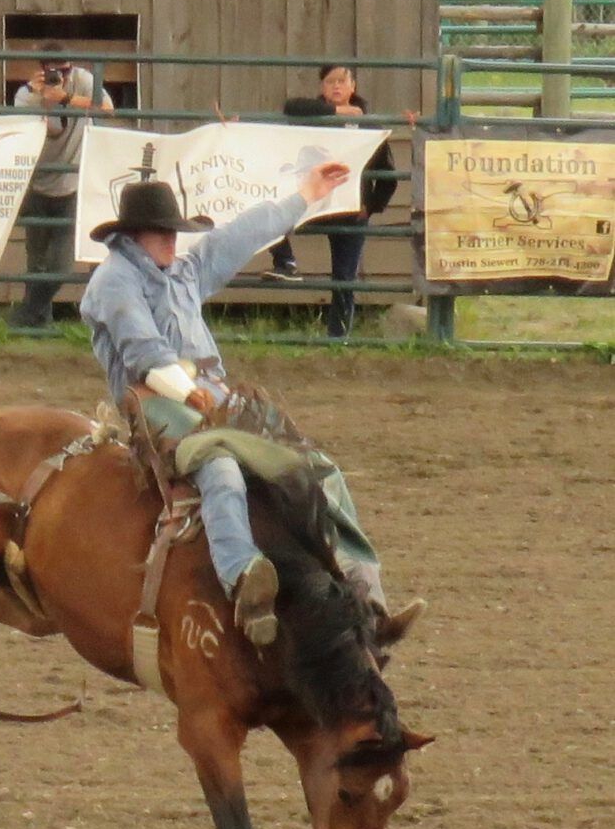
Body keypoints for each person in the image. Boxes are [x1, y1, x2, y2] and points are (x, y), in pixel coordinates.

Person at [80, 164, 413, 645]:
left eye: (175, 233)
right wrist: (184, 389)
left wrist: (305, 196)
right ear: (135, 236)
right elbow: (142, 350)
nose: (174, 242)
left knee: (316, 468)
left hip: (210, 391)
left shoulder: (183, 272)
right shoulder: (114, 280)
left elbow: (239, 236)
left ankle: (366, 595)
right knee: (218, 465)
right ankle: (244, 579)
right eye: (163, 233)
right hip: (153, 402)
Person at [266, 64, 398, 336]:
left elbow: (388, 174)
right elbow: (292, 106)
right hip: (312, 202)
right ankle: (285, 262)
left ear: (353, 86)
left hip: (349, 210)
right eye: (329, 82)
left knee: (344, 277)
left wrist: (370, 206)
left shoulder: (369, 124)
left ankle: (338, 337)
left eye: (342, 81)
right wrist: (336, 112)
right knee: (271, 215)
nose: (336, 87)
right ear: (321, 88)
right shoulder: (312, 114)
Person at [10, 45, 114, 328]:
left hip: (72, 183)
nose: (61, 76)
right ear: (42, 70)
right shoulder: (26, 96)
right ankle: (38, 323)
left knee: (60, 264)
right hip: (38, 183)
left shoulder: (82, 81)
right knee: (37, 261)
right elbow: (44, 130)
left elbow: (107, 109)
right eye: (54, 71)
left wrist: (67, 97)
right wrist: (44, 101)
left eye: (65, 70)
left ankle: (25, 315)